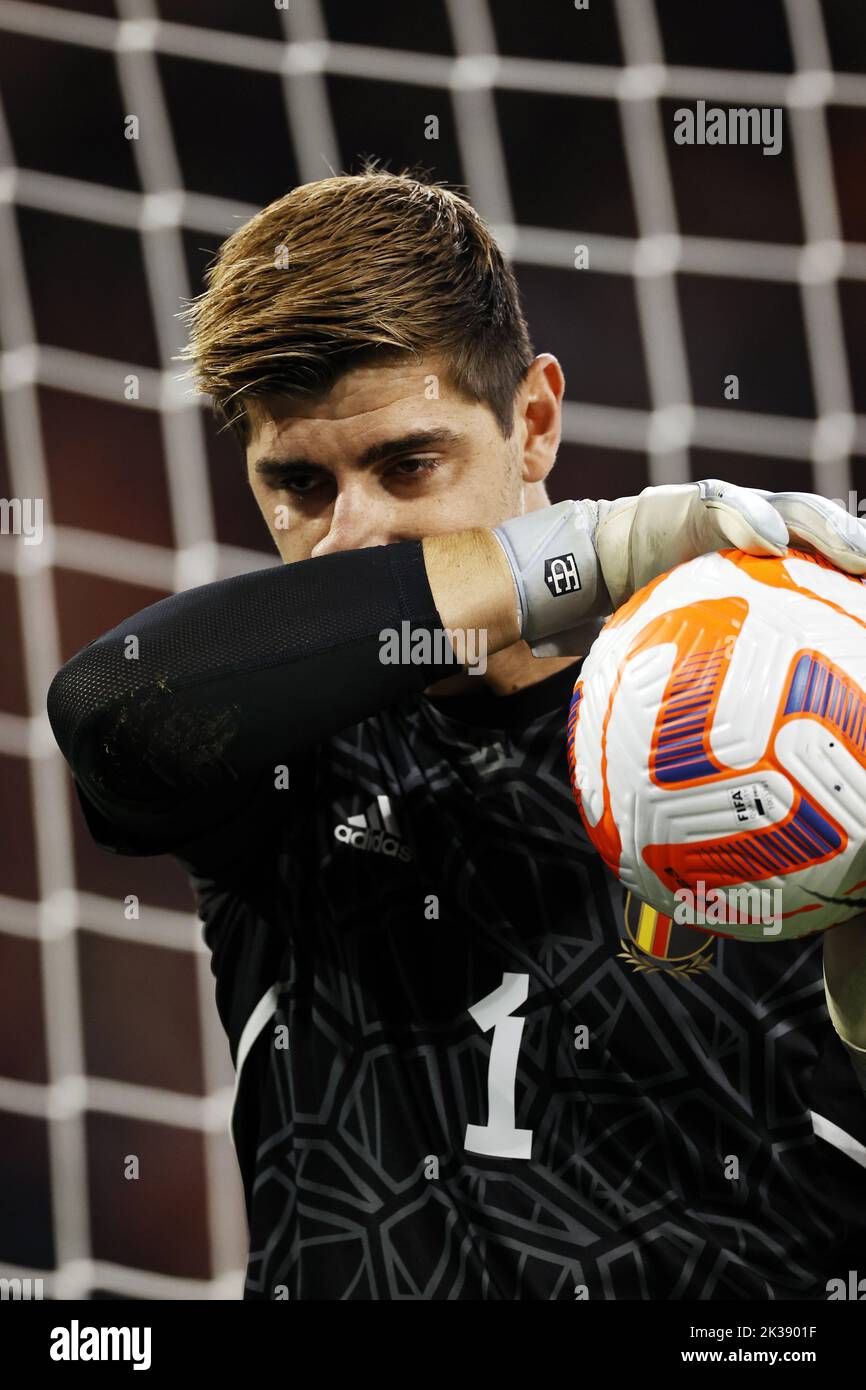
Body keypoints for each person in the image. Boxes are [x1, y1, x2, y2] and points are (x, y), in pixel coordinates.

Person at [47, 170, 866, 1301]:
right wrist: (592, 548)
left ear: (532, 421)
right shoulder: (288, 751)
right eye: (296, 484)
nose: (354, 535)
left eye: (406, 464)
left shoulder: (775, 741)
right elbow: (109, 707)